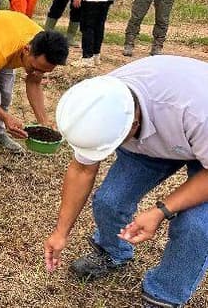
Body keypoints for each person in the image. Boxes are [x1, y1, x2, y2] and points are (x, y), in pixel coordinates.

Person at [44, 56, 208, 308]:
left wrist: (160, 210)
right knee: (110, 200)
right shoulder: (98, 105)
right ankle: (113, 251)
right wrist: (60, 233)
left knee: (196, 226)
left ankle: (164, 295)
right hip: (158, 138)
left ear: (132, 125)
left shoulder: (197, 110)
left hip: (193, 130)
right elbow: (82, 170)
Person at [0, 10, 69, 182]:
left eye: (43, 71)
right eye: (35, 67)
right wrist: (5, 116)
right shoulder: (0, 51)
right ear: (27, 50)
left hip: (6, 39)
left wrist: (44, 123)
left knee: (6, 95)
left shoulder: (40, 50)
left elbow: (33, 82)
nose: (37, 73)